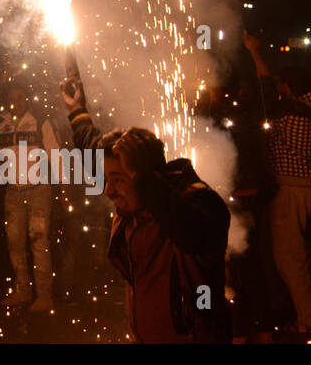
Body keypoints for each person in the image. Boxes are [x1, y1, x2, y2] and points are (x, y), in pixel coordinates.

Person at [60, 76, 231, 342]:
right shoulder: (134, 198)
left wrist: (141, 178)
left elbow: (191, 233)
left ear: (147, 175)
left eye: (118, 180)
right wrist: (77, 112)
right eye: (107, 179)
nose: (108, 190)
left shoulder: (199, 203)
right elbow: (95, 151)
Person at [244, 33, 311, 333]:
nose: (279, 90)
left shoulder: (292, 115)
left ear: (289, 87)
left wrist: (255, 53)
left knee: (290, 260)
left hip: (293, 191)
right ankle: (308, 316)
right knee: (298, 257)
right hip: (305, 189)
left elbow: (265, 91)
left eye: (282, 85)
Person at [0, 82, 59, 311]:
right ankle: (23, 291)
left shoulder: (40, 122)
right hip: (13, 193)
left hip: (39, 190)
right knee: (15, 243)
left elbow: (55, 154)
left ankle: (44, 296)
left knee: (38, 240)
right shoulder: (1, 128)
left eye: (20, 97)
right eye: (12, 98)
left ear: (27, 99)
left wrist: (63, 186)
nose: (17, 103)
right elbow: (2, 163)